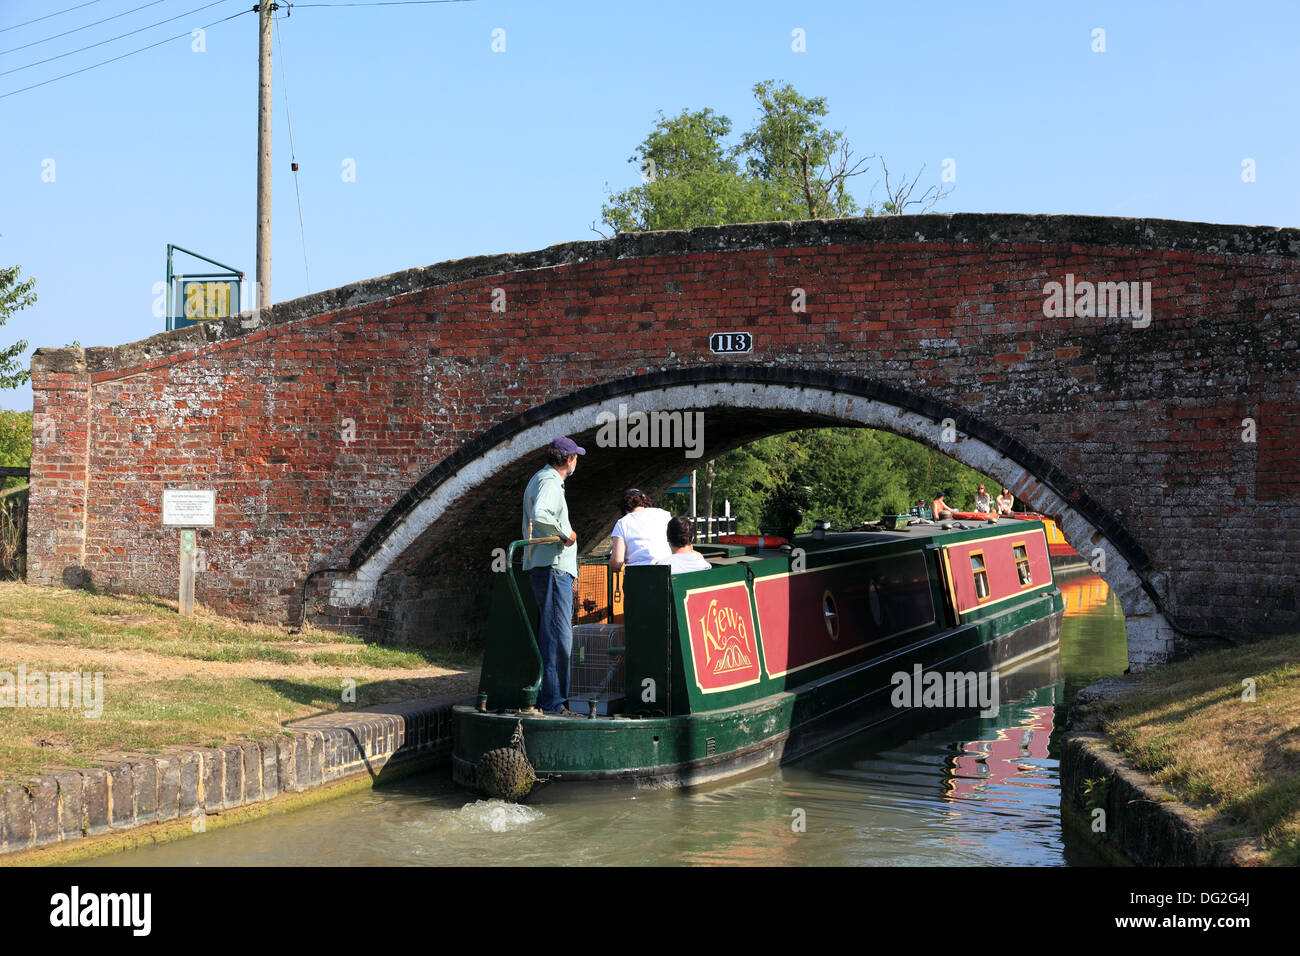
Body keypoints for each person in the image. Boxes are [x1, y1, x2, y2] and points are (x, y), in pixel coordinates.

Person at [521, 436, 584, 714]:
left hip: (546, 567)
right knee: (559, 637)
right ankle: (555, 703)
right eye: (576, 457)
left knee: (552, 635)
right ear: (569, 460)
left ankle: (552, 699)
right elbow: (541, 513)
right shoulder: (550, 483)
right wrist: (565, 534)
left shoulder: (539, 478)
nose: (577, 462)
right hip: (553, 568)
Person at [608, 488, 672, 572]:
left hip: (637, 575)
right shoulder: (663, 514)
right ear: (644, 500)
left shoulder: (622, 523)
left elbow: (617, 563)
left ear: (624, 507)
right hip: (667, 570)